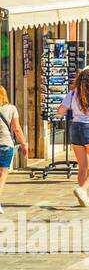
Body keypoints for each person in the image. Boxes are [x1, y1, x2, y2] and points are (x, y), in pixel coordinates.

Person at [58, 68, 89, 206]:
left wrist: (71, 109)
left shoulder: (72, 94)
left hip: (75, 128)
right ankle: (83, 189)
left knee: (83, 166)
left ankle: (83, 197)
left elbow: (60, 111)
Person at [0, 85, 29, 215]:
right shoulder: (11, 109)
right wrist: (24, 144)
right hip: (5, 145)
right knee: (3, 175)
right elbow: (16, 129)